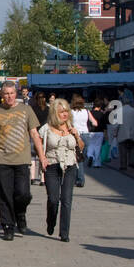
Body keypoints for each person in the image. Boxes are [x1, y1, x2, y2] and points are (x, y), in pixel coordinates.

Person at [0, 80, 48, 241]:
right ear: (1, 95)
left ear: (16, 93)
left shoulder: (26, 110)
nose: (10, 96)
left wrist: (42, 157)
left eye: (12, 93)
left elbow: (34, 134)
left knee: (23, 194)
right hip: (3, 160)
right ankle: (8, 226)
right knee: (5, 195)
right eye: (6, 94)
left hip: (22, 160)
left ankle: (20, 213)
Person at [40, 98, 85, 242]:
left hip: (70, 166)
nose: (64, 114)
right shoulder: (46, 129)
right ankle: (51, 222)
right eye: (61, 112)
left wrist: (76, 135)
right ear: (54, 113)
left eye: (66, 111)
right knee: (53, 199)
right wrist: (42, 159)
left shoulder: (71, 127)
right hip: (52, 165)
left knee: (66, 199)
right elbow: (38, 145)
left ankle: (64, 233)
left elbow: (81, 147)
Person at [114, 97, 134, 171]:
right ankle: (131, 162)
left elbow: (116, 124)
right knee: (132, 149)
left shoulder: (119, 111)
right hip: (133, 134)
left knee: (123, 150)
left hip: (122, 134)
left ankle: (123, 165)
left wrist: (115, 133)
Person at [69, 94, 91, 188]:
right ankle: (90, 155)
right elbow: (94, 122)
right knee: (81, 156)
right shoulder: (86, 111)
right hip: (86, 134)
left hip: (76, 135)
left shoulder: (71, 112)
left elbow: (69, 124)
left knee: (77, 158)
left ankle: (80, 179)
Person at [88, 96, 109, 167]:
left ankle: (90, 156)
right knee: (98, 147)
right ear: (100, 105)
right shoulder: (102, 114)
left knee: (90, 146)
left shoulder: (89, 113)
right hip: (100, 132)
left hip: (91, 132)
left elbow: (87, 123)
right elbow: (104, 125)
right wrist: (106, 134)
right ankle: (97, 163)